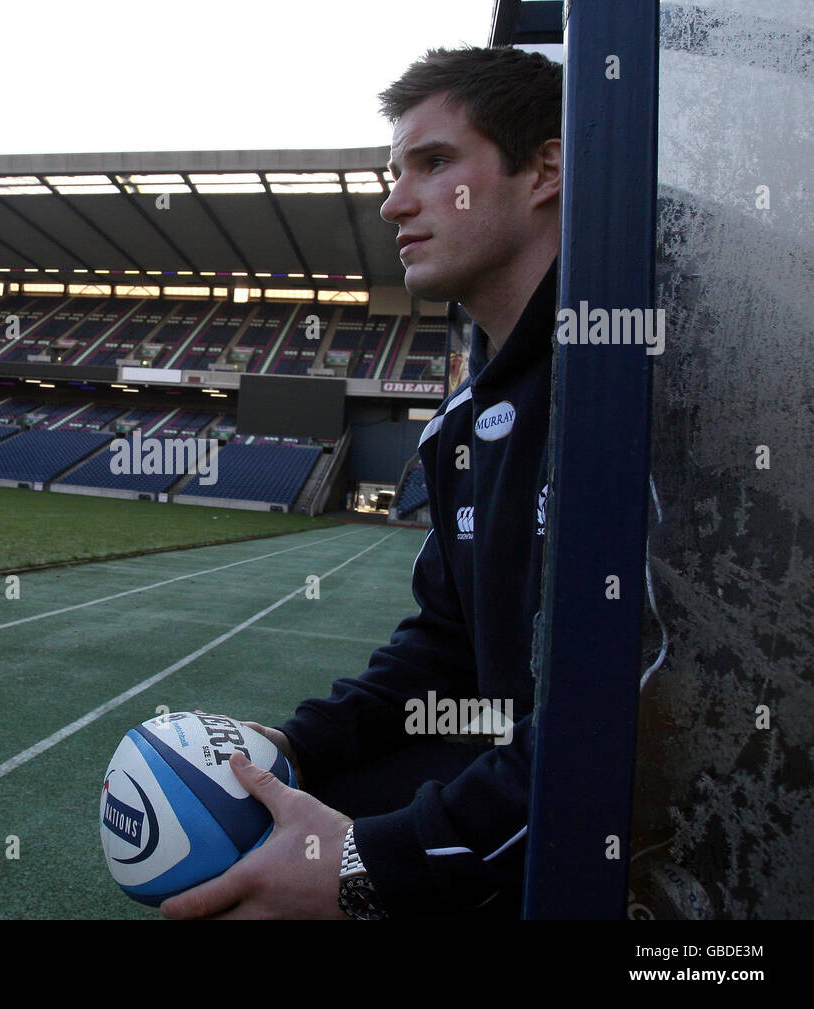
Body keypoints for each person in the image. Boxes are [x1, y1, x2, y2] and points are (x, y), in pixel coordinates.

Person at [161, 45, 563, 920]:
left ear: (544, 168)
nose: (393, 202)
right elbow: (452, 659)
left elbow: (624, 726)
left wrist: (365, 865)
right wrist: (296, 748)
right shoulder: (462, 423)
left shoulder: (637, 385)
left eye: (433, 164)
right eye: (393, 173)